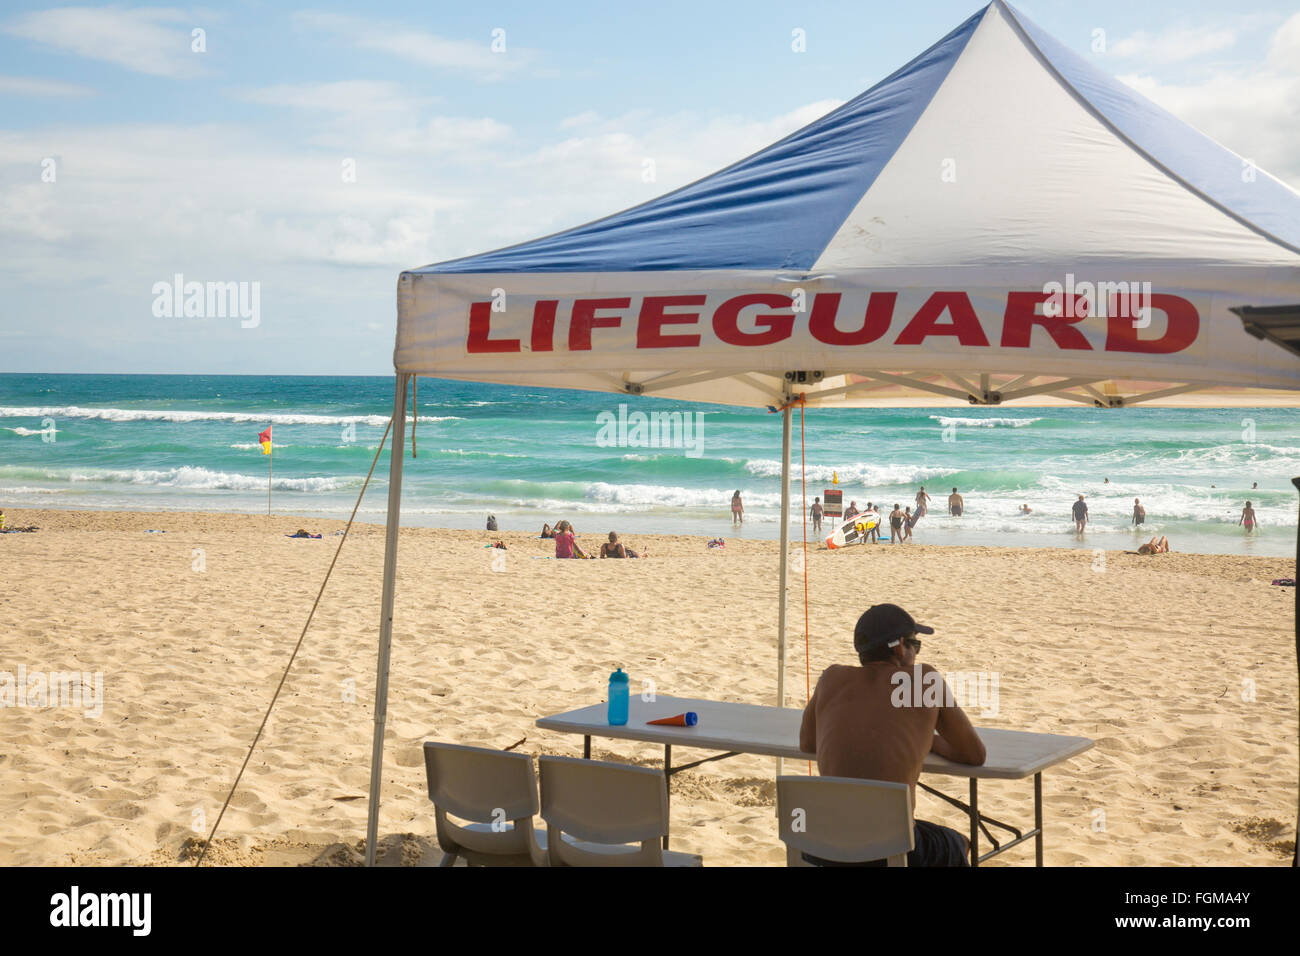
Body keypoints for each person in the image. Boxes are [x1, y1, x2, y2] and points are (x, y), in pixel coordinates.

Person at [799, 604, 986, 866]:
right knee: (958, 842)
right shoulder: (923, 681)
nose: (917, 653)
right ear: (900, 646)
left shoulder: (831, 678)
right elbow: (974, 755)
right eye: (915, 645)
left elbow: (807, 742)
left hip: (822, 844)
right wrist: (929, 740)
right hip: (889, 850)